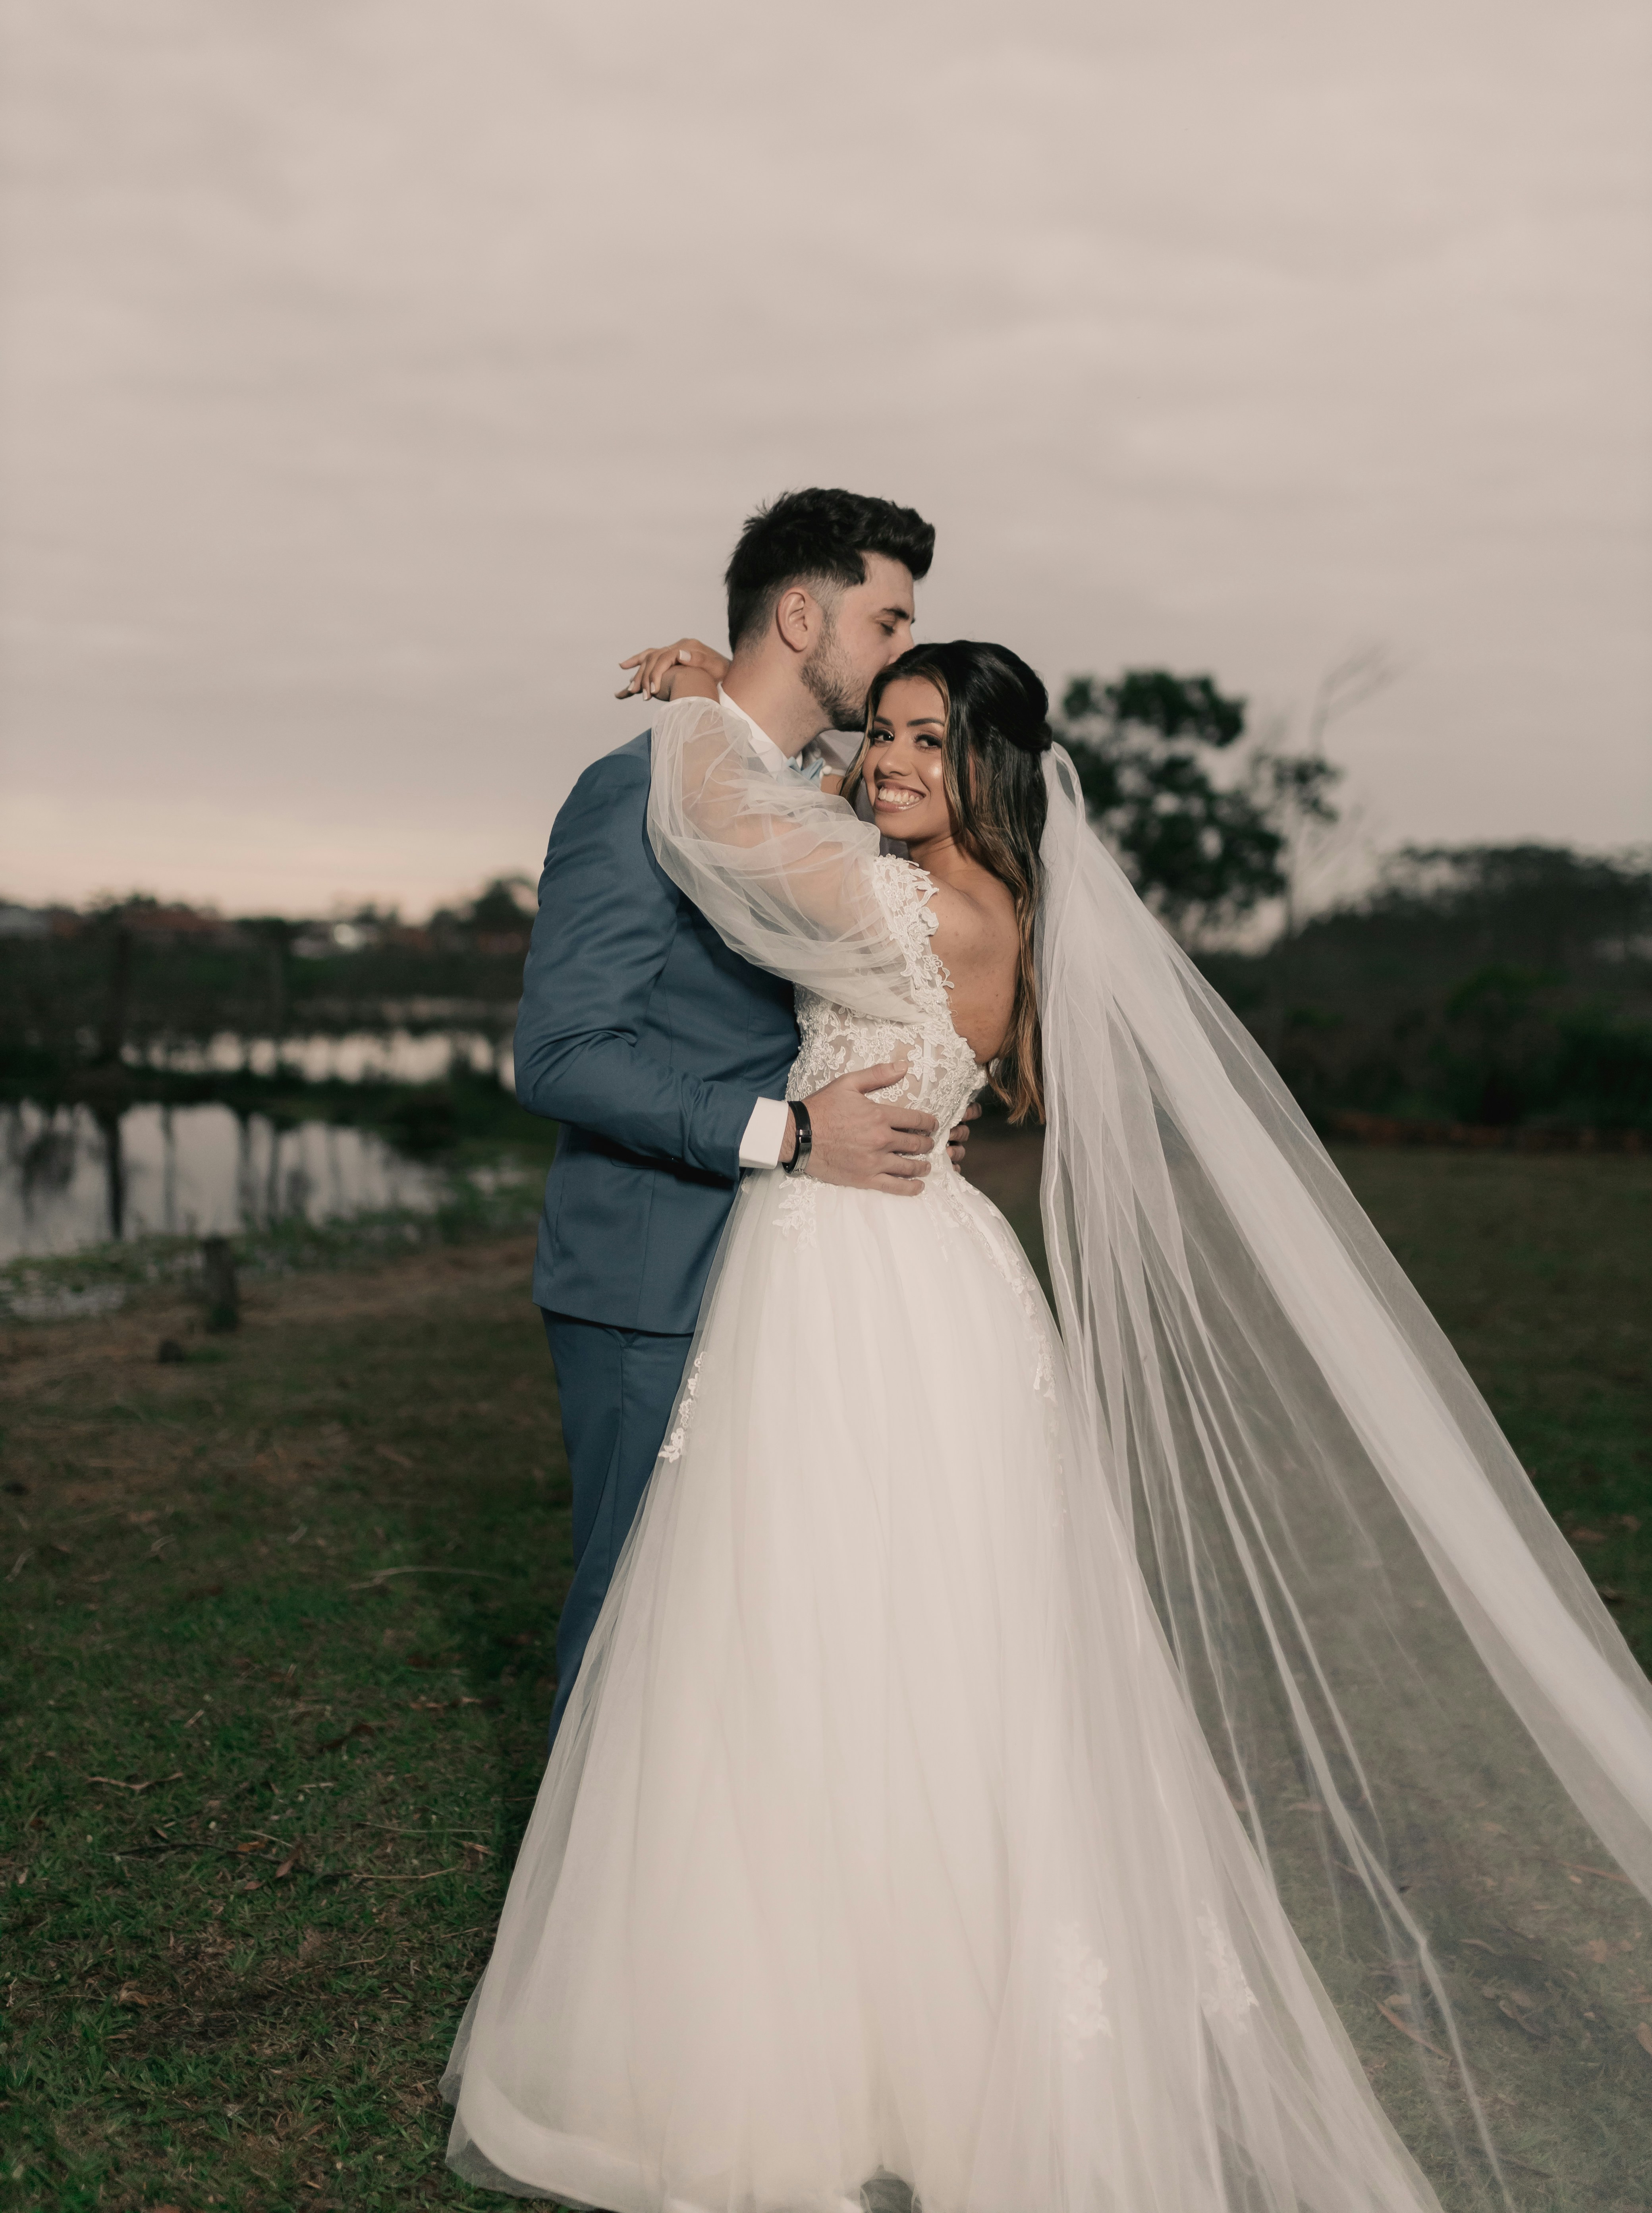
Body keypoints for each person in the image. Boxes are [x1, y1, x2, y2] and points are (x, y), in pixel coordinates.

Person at [451, 641, 1652, 2209]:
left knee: (849, 1632)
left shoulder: (927, 911)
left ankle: (860, 2039)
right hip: (883, 1265)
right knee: (857, 1637)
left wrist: (708, 696)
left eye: (924, 743)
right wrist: (818, 759)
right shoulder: (977, 901)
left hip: (859, 1286)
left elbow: (713, 828)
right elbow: (800, 828)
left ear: (992, 772)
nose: (882, 761)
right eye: (878, 731)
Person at [514, 487, 974, 1744]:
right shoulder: (635, 794)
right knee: (631, 1617)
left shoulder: (811, 802)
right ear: (799, 612)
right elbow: (561, 1055)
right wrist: (794, 1132)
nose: (904, 652)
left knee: (740, 1622)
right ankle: (581, 1933)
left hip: (792, 1280)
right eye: (888, 623)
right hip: (650, 1271)